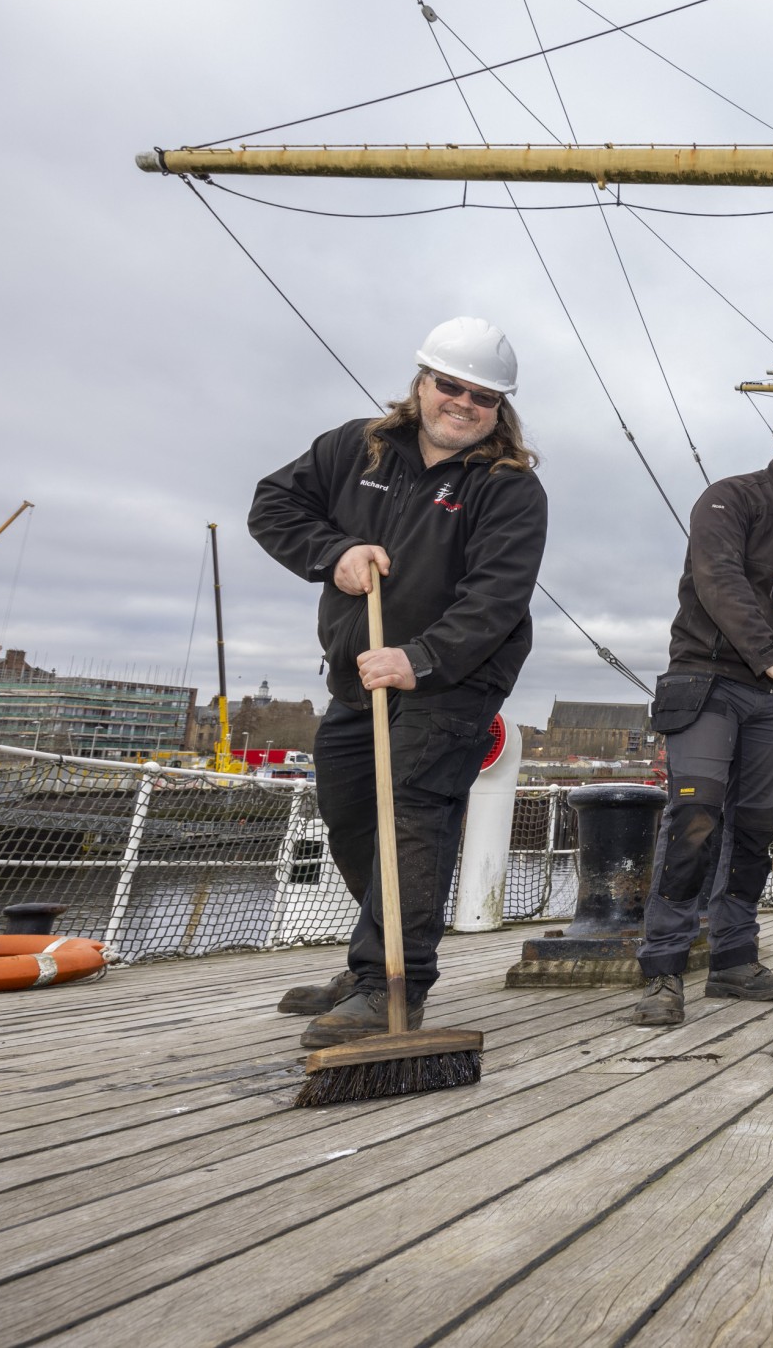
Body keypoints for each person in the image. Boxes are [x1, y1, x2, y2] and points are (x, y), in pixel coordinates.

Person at [250, 316, 547, 1047]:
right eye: (450, 385)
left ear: (499, 409)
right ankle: (369, 963)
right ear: (420, 382)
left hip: (452, 683)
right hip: (359, 678)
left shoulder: (509, 489)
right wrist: (336, 551)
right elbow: (272, 506)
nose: (464, 402)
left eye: (484, 395)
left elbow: (496, 598)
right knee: (349, 810)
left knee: (413, 814)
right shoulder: (354, 448)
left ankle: (396, 983)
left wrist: (420, 658)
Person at [632, 393, 773, 1026]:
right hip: (708, 680)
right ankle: (664, 968)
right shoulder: (729, 498)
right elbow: (716, 578)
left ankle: (733, 958)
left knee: (757, 826)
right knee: (696, 817)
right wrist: (770, 655)